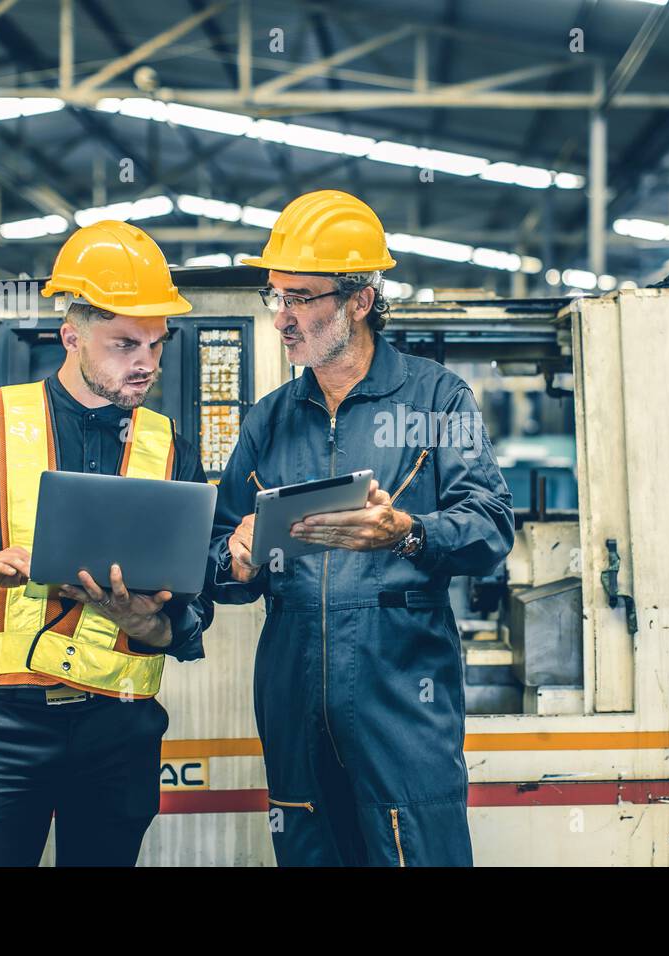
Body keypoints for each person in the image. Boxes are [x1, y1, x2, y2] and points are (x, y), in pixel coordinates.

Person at [0, 220, 212, 866]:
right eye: (126, 344)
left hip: (121, 736)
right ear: (70, 337)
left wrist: (148, 622)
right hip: (5, 737)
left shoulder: (170, 452)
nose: (147, 364)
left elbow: (193, 617)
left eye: (158, 345)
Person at [210, 190, 514, 866]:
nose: (282, 317)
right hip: (293, 694)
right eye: (275, 297)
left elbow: (491, 525)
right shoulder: (267, 422)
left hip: (401, 692)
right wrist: (234, 558)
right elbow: (219, 565)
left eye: (300, 297)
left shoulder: (436, 401)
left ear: (360, 300)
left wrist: (407, 532)